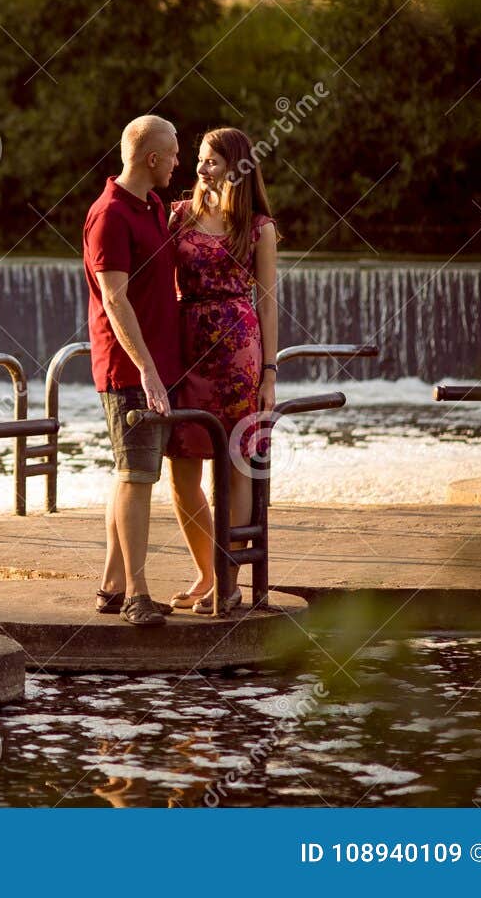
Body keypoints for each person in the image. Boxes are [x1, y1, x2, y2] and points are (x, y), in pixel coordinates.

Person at [163, 128, 279, 616]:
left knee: (235, 465)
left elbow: (267, 303)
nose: (201, 168)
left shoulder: (258, 227)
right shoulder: (178, 216)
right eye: (199, 159)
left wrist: (269, 373)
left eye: (212, 161)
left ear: (237, 167)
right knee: (181, 468)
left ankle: (227, 581)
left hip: (238, 352)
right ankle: (206, 571)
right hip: (186, 346)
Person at [83, 114, 183, 628]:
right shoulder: (109, 216)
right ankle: (137, 595)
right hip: (129, 370)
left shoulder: (153, 206)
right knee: (136, 477)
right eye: (174, 154)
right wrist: (146, 369)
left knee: (131, 475)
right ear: (152, 158)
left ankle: (112, 585)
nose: (178, 162)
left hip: (153, 366)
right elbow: (115, 299)